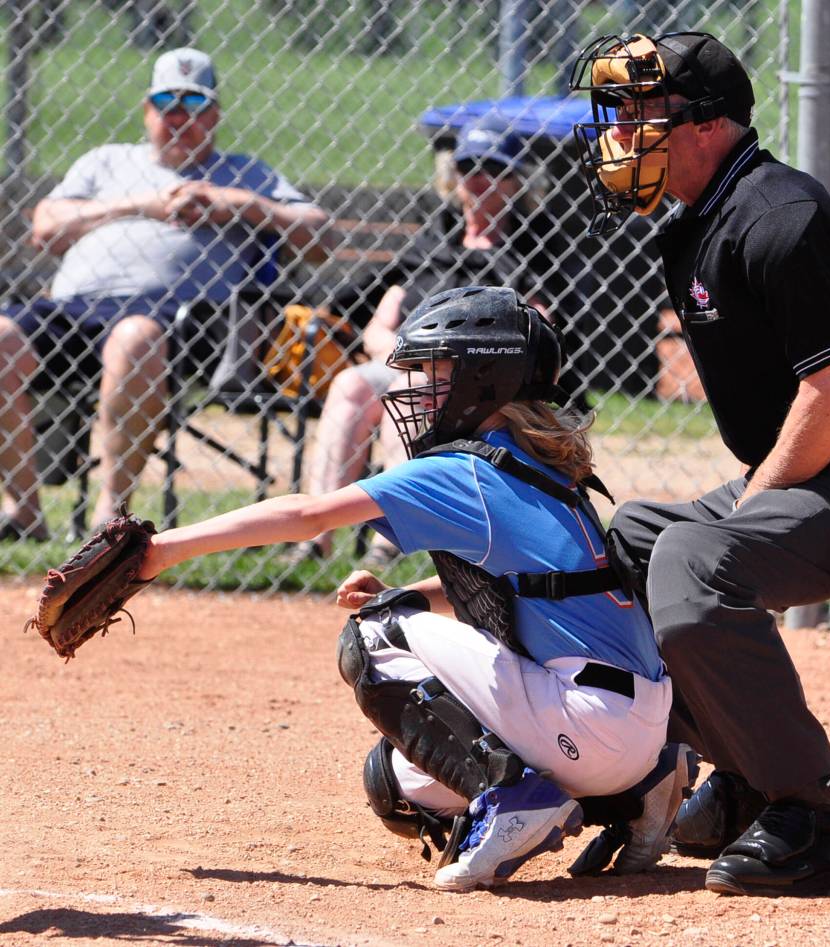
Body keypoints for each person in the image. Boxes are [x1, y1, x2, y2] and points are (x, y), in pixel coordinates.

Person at [568, 31, 830, 896]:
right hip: (816, 472)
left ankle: (810, 814)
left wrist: (748, 506)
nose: (624, 135)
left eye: (645, 114)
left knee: (693, 559)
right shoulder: (705, 220)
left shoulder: (779, 218)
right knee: (635, 536)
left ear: (707, 124)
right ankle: (748, 777)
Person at [136, 285, 694, 890]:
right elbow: (523, 588)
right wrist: (412, 596)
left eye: (436, 372)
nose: (417, 390)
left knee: (373, 634)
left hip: (586, 720)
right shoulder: (538, 463)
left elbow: (307, 514)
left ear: (484, 381)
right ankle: (640, 791)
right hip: (631, 728)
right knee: (400, 783)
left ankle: (514, 797)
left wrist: (162, 550)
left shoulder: (465, 470)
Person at [0, 47, 333, 539]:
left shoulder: (245, 172)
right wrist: (142, 205)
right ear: (147, 110)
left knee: (134, 337)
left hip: (181, 321)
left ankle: (109, 523)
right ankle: (24, 513)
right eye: (167, 105)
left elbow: (319, 236)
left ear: (215, 115)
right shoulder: (105, 162)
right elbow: (46, 227)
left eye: (195, 106)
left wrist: (233, 203)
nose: (180, 118)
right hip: (75, 309)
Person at [293, 114, 581, 563]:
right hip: (403, 361)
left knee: (409, 392)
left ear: (517, 182)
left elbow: (539, 328)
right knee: (350, 385)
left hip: (475, 378)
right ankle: (316, 535)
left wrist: (445, 362)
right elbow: (381, 321)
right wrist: (405, 353)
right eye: (468, 167)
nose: (479, 178)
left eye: (494, 168)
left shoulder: (534, 246)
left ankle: (388, 540)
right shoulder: (437, 237)